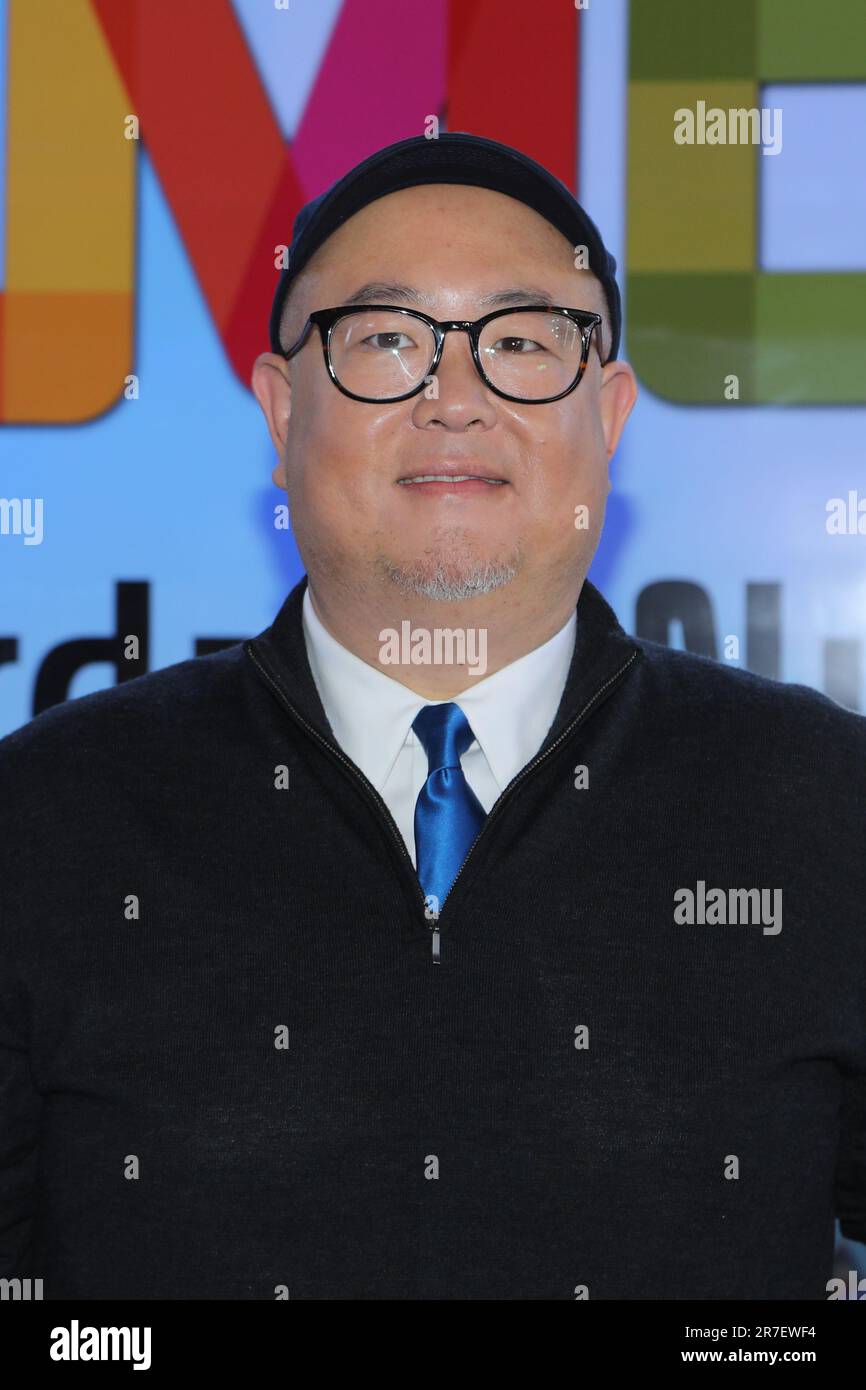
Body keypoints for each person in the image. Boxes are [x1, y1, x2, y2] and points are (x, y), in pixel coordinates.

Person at [0, 133, 864, 1301]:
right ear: (278, 405)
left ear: (607, 413)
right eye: (386, 340)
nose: (452, 398)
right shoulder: (46, 815)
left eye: (519, 342)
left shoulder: (823, 802)